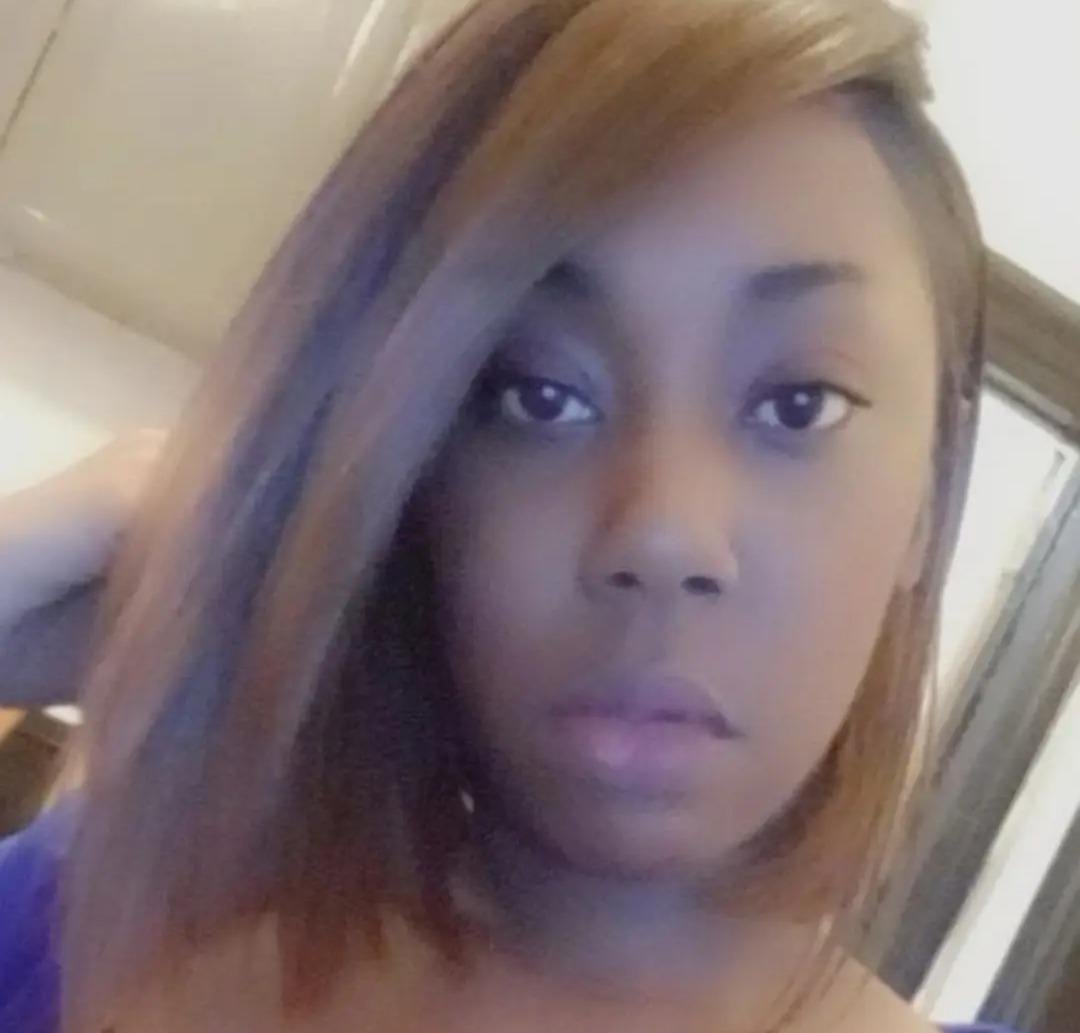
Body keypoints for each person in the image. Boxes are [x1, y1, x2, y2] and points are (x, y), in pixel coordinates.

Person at [0, 0, 1020, 1030]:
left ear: (931, 498)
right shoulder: (79, 924)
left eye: (800, 405)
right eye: (539, 395)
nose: (662, 532)